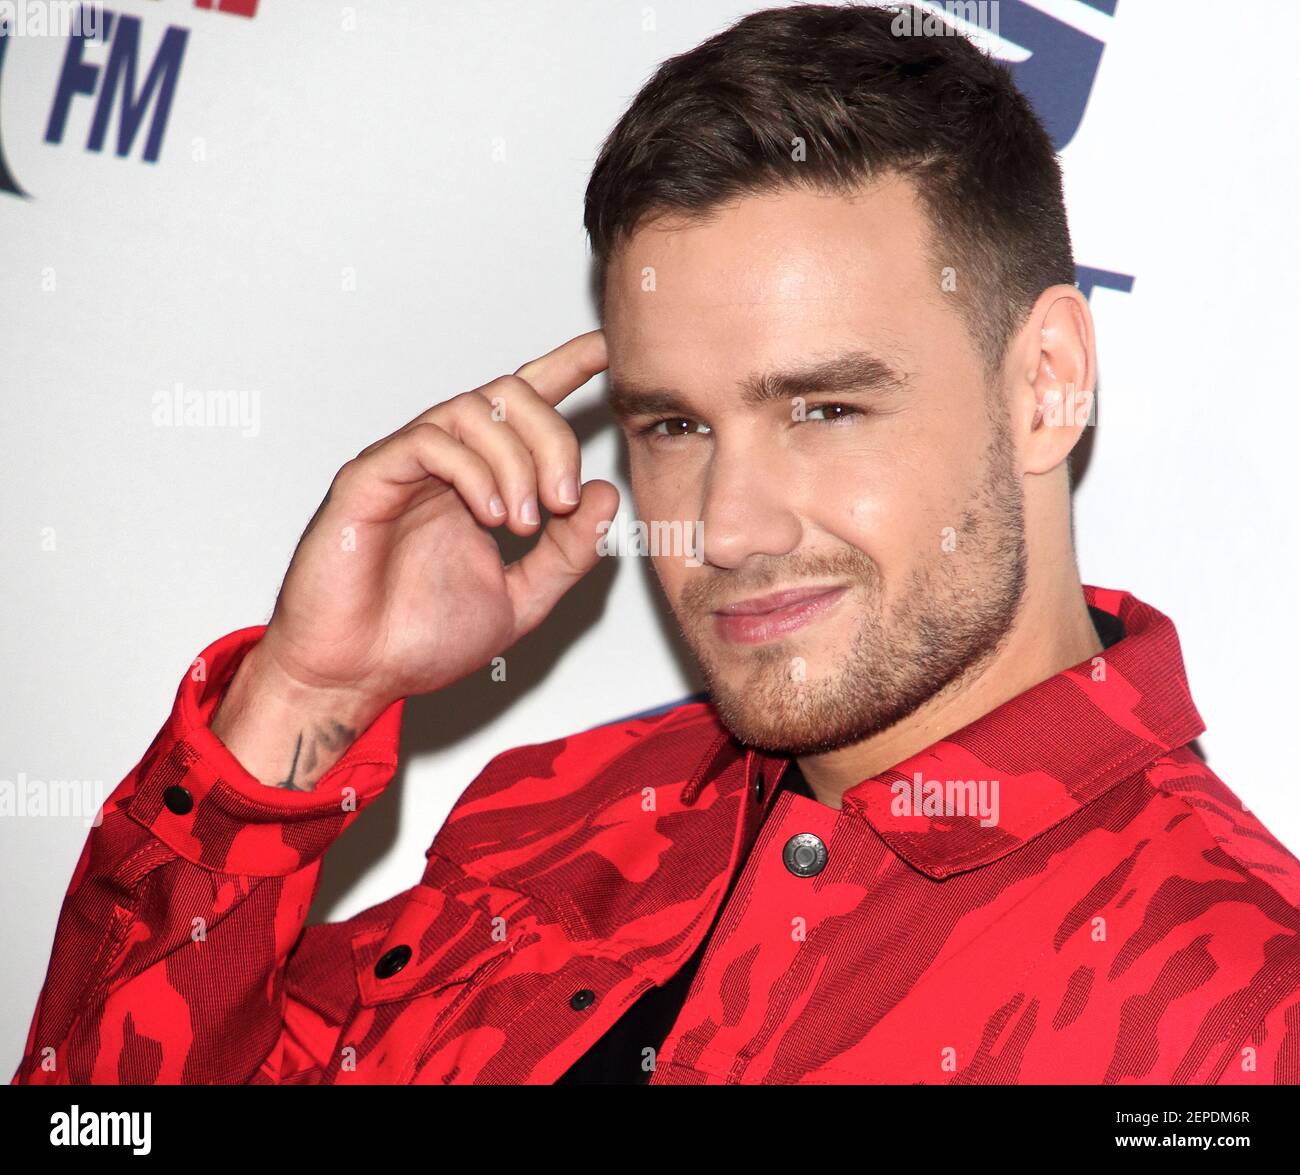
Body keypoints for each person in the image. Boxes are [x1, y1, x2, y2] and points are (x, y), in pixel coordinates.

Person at [14, 3, 1300, 1085]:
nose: (725, 525)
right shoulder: (562, 813)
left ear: (1046, 384)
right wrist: (304, 699)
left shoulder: (1240, 1011)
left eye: (826, 407)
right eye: (673, 421)